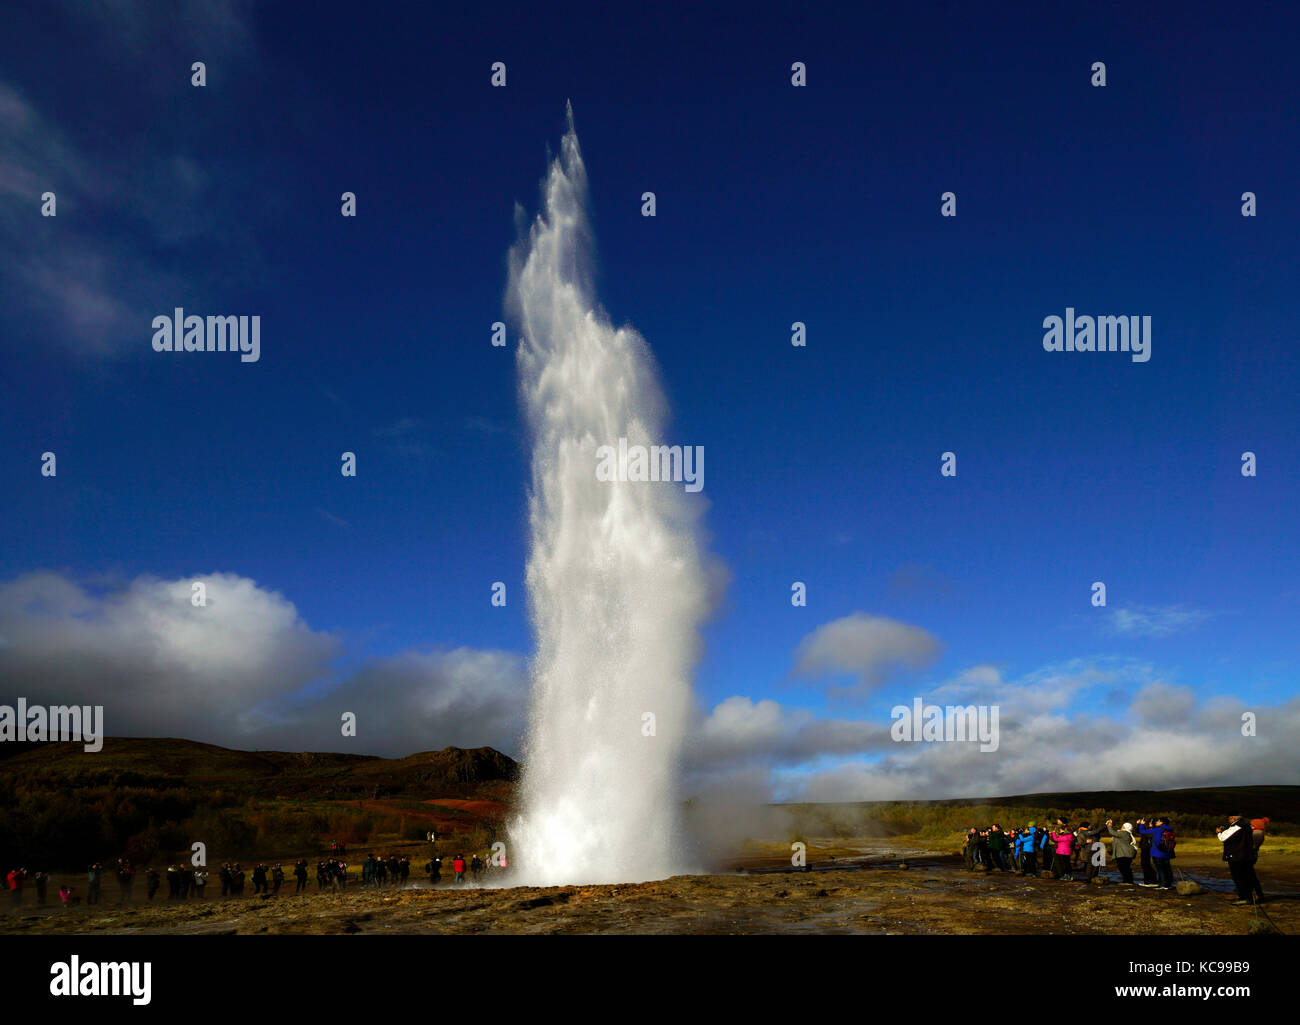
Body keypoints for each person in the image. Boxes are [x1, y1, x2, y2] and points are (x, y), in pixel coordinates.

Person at [1216, 814, 1260, 906]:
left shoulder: (1238, 826)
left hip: (1237, 856)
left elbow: (1224, 838)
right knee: (1246, 876)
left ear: (1234, 818)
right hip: (1245, 855)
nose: (1228, 820)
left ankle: (1245, 898)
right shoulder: (1246, 825)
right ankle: (1251, 896)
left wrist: (1219, 832)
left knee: (1239, 877)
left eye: (1229, 818)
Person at [1137, 818, 1175, 890]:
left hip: (1158, 852)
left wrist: (1142, 824)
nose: (1157, 822)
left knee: (1160, 869)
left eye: (1158, 821)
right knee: (1167, 869)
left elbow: (1142, 831)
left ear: (1162, 822)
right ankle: (1168, 884)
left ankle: (1163, 885)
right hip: (1167, 852)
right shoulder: (1170, 829)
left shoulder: (1158, 829)